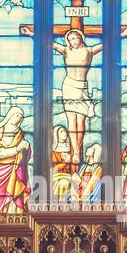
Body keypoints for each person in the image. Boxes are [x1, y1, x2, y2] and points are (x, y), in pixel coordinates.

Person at [53, 28, 101, 167]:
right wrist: (32, 33)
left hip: (82, 88)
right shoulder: (66, 51)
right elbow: (52, 44)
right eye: (70, 39)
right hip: (68, 86)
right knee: (71, 121)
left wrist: (122, 34)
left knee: (81, 122)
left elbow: (107, 44)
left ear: (81, 37)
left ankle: (77, 149)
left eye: (75, 38)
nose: (73, 41)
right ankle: (76, 151)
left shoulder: (89, 51)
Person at [0, 107, 30, 213]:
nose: (19, 118)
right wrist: (17, 149)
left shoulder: (19, 133)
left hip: (15, 169)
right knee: (0, 196)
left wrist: (26, 148)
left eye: (21, 117)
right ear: (10, 116)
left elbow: (24, 155)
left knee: (16, 195)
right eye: (17, 115)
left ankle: (15, 220)